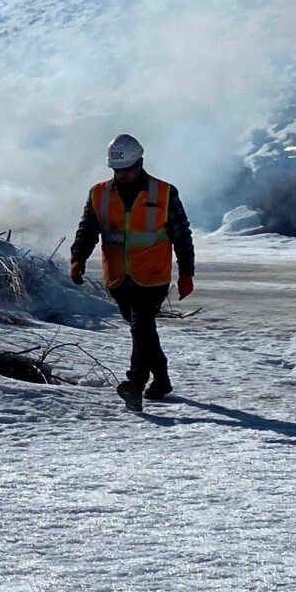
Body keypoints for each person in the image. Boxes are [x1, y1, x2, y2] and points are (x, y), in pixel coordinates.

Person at [69, 133, 195, 412]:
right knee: (143, 331)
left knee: (141, 326)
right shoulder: (99, 193)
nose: (123, 176)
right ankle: (161, 380)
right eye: (117, 171)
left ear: (140, 163)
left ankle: (135, 384)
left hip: (152, 276)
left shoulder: (164, 193)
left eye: (127, 170)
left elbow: (181, 235)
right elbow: (88, 228)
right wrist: (78, 257)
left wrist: (186, 272)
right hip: (117, 277)